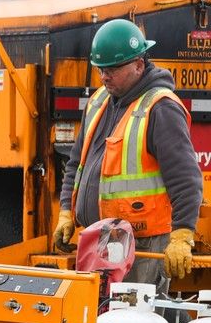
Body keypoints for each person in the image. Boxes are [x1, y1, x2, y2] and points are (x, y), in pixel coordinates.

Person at [53, 18, 203, 293]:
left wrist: (182, 235)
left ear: (138, 64)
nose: (104, 76)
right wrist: (66, 212)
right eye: (100, 69)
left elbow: (186, 179)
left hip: (143, 244)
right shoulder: (100, 101)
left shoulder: (160, 108)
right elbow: (77, 163)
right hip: (103, 238)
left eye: (111, 70)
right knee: (105, 321)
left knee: (136, 322)